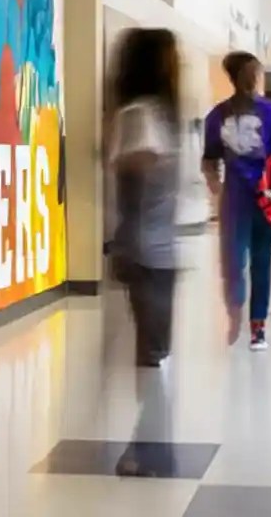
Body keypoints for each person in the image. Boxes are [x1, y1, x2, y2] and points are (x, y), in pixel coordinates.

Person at [202, 51, 271, 351]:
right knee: (258, 262)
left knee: (238, 261)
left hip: (241, 199)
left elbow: (209, 159)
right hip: (261, 198)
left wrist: (216, 184)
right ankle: (255, 326)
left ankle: (243, 317)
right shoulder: (269, 113)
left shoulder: (219, 116)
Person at [108, 28, 182, 367]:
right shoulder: (139, 114)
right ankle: (151, 417)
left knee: (158, 349)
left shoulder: (155, 112)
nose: (177, 64)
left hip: (159, 248)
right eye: (170, 56)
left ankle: (154, 414)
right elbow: (133, 162)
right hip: (145, 249)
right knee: (154, 351)